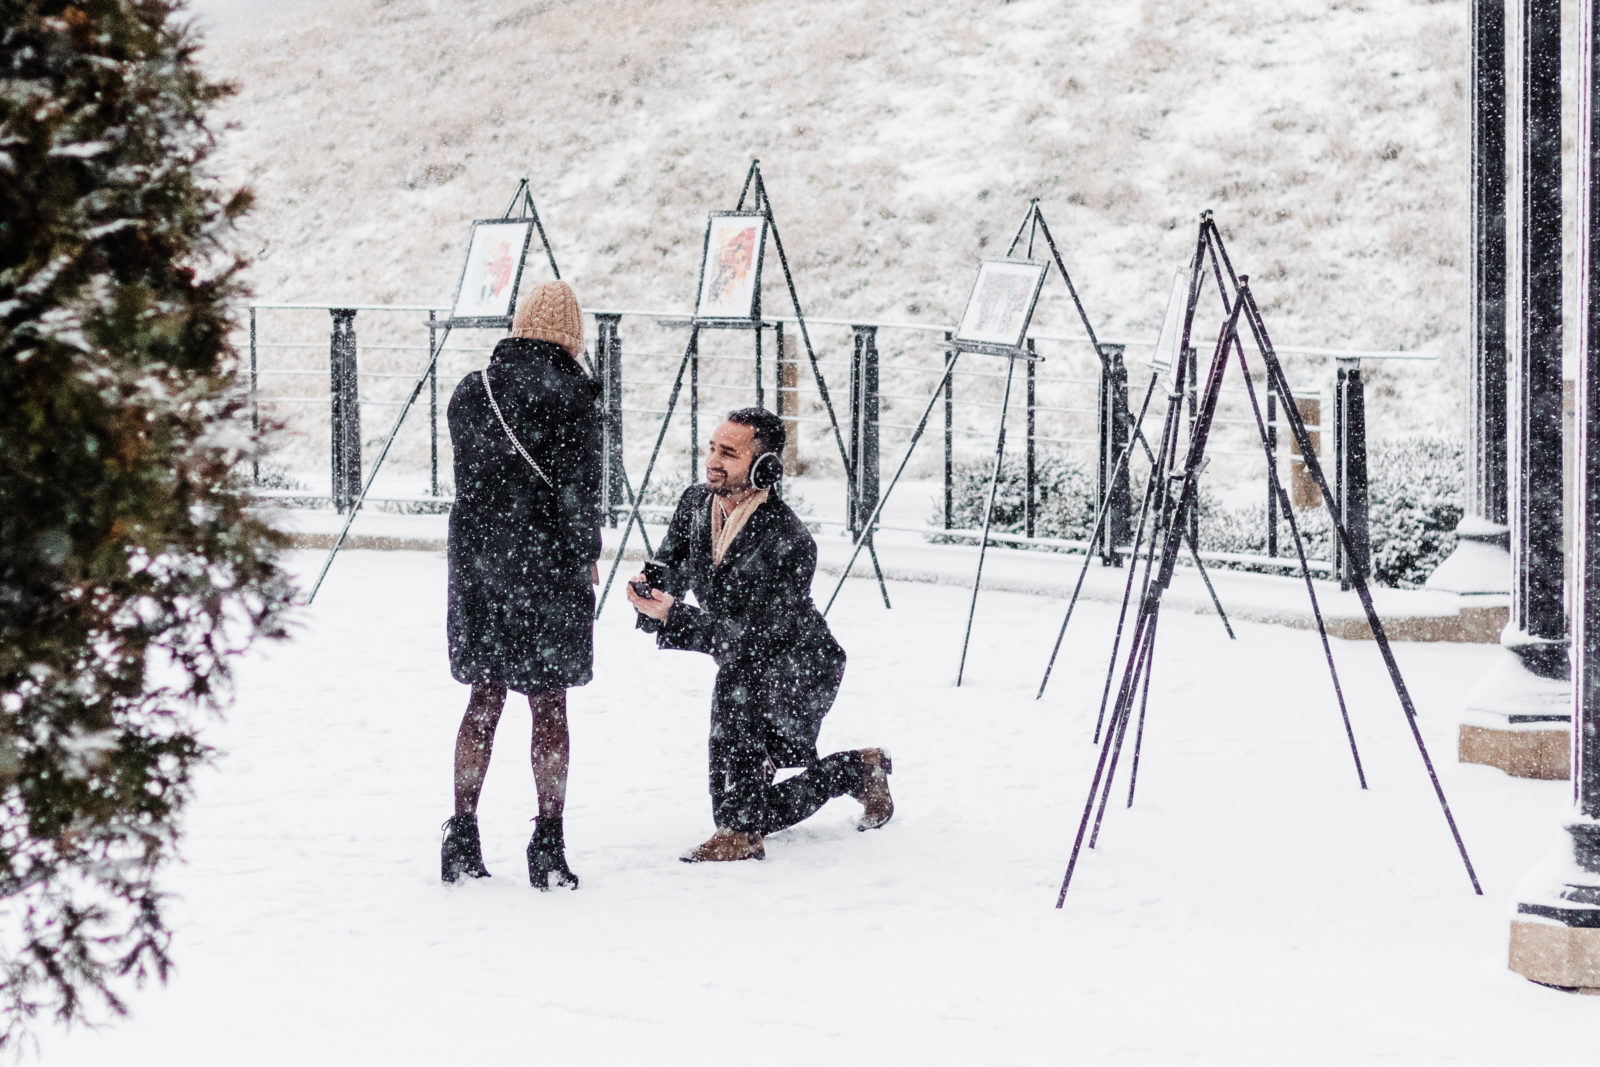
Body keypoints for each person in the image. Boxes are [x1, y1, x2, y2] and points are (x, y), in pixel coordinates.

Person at [626, 408, 893, 862]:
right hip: (740, 662)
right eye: (712, 447)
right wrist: (650, 594)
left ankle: (741, 835)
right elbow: (669, 564)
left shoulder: (789, 539)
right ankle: (855, 770)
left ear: (763, 466)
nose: (713, 459)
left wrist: (676, 617)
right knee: (736, 805)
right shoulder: (695, 503)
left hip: (798, 667)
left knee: (740, 809)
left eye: (729, 452)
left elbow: (755, 639)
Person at [440, 279, 601, 889]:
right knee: (548, 703)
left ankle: (461, 834)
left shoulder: (470, 391)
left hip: (479, 565)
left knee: (484, 698)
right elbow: (577, 495)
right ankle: (548, 844)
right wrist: (586, 552)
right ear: (571, 337)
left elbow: (473, 482)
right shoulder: (573, 397)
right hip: (546, 568)